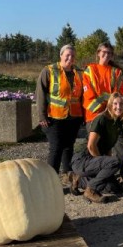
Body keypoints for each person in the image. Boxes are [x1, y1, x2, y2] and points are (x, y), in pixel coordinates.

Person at [36, 44, 84, 181]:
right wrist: (41, 116)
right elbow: (40, 94)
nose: (70, 58)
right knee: (56, 147)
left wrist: (83, 116)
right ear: (61, 55)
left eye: (73, 56)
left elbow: (82, 96)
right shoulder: (49, 71)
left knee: (68, 146)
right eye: (67, 55)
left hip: (73, 117)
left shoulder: (79, 73)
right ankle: (50, 180)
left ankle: (69, 175)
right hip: (53, 117)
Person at [69, 93, 123, 203]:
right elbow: (91, 146)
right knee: (115, 162)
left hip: (94, 161)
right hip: (83, 159)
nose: (118, 107)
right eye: (115, 103)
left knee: (114, 188)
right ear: (110, 105)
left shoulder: (117, 122)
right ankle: (91, 190)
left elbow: (108, 147)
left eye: (121, 104)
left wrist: (107, 167)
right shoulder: (101, 119)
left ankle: (79, 179)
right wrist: (103, 164)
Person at [82, 42, 123, 127]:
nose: (106, 54)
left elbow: (122, 93)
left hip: (113, 115)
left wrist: (110, 109)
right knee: (95, 140)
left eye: (109, 53)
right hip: (94, 115)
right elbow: (88, 94)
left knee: (117, 140)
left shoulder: (116, 72)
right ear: (98, 53)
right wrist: (107, 103)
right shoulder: (90, 70)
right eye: (104, 52)